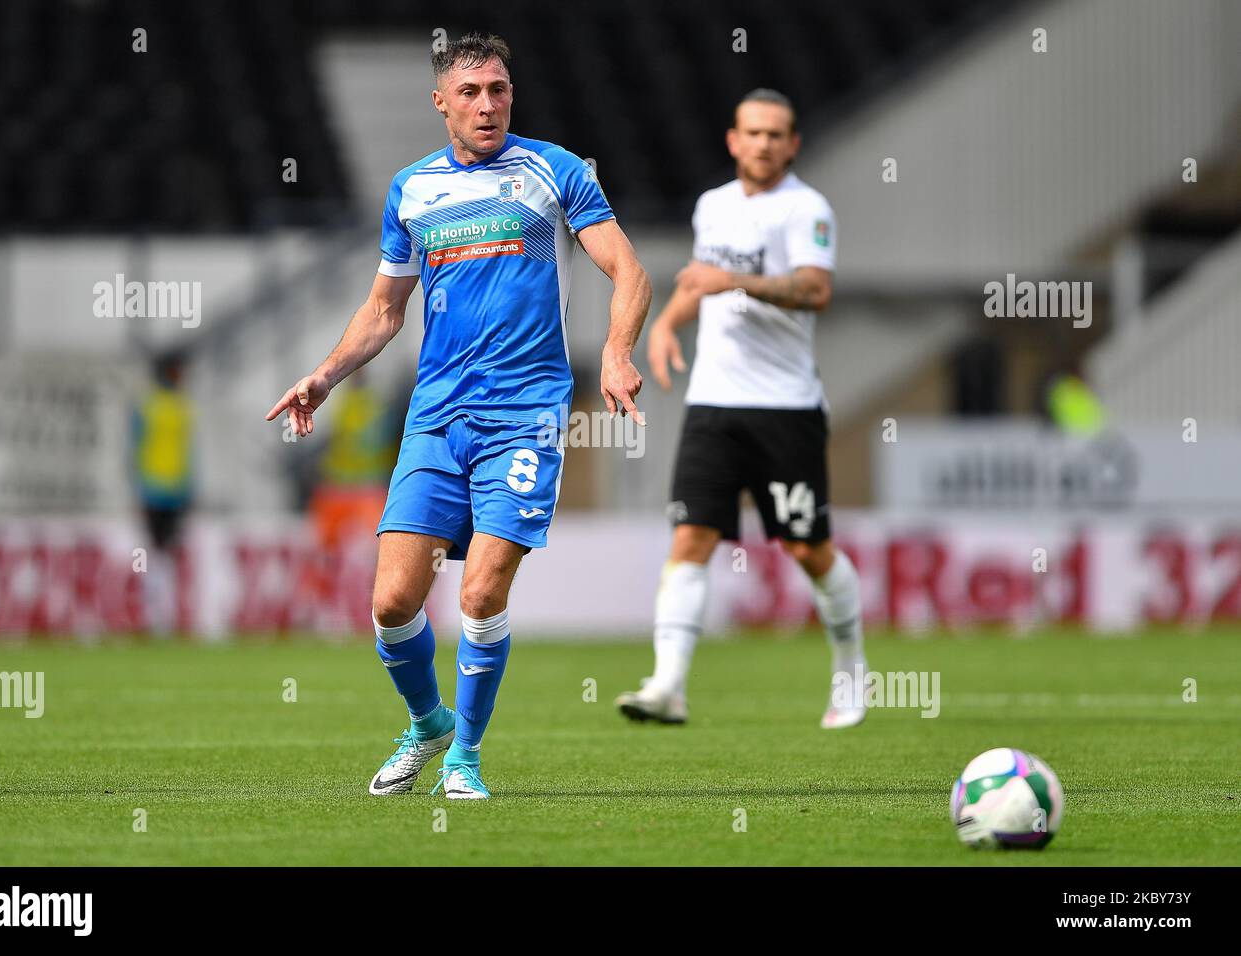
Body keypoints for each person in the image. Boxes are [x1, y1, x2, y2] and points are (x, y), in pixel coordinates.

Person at [267, 33, 650, 799]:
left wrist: (614, 350)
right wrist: (326, 375)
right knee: (392, 603)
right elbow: (383, 310)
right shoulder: (412, 191)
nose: (487, 104)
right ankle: (429, 721)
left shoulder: (555, 172)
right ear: (440, 101)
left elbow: (628, 269)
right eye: (471, 92)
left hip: (525, 415)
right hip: (436, 417)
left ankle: (464, 758)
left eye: (499, 90)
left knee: (479, 593)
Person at [614, 90, 866, 730]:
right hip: (713, 404)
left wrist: (738, 282)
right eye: (753, 133)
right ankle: (668, 684)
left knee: (807, 549)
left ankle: (852, 671)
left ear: (793, 144)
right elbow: (703, 277)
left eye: (776, 134)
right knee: (691, 537)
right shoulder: (713, 206)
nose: (763, 144)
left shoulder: (808, 209)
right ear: (733, 140)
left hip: (785, 409)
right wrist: (670, 320)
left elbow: (816, 289)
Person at [132, 353, 195, 636]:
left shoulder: (178, 407)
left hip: (174, 490)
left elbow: (188, 452)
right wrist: (139, 489)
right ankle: (155, 615)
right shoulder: (152, 407)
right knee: (156, 554)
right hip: (155, 490)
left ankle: (163, 616)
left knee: (164, 555)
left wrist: (190, 488)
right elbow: (135, 450)